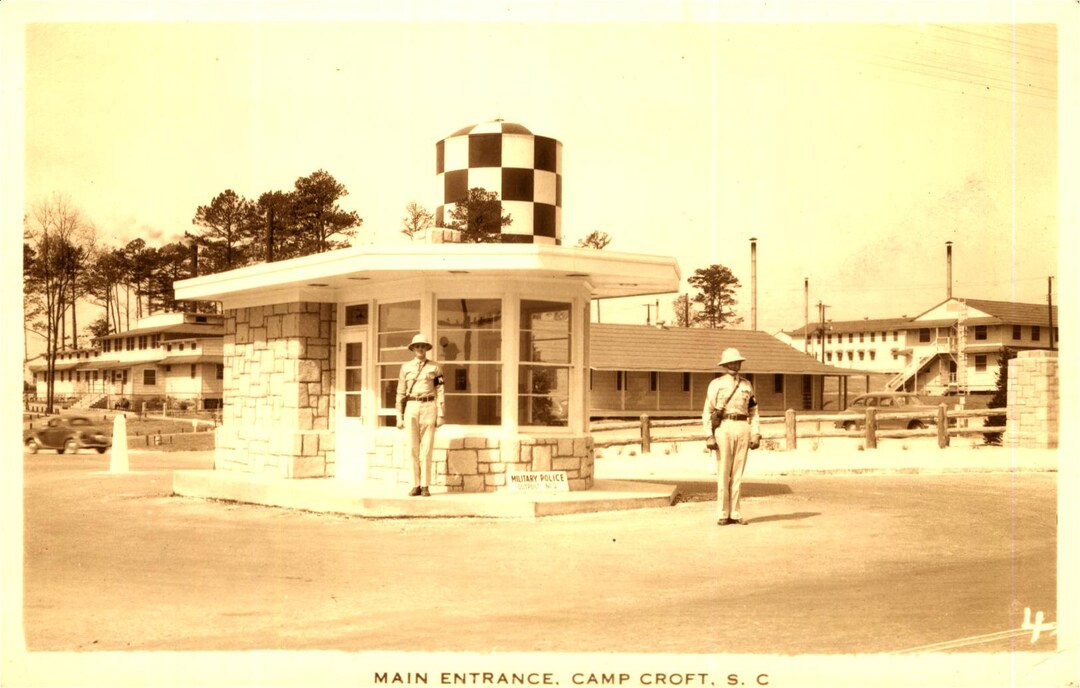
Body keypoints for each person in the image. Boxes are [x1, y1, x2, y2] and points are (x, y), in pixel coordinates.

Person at [702, 347, 761, 526]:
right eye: (731, 363)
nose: (734, 365)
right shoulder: (716, 384)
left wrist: (756, 433)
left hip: (743, 427)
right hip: (724, 427)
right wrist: (708, 436)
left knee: (737, 473)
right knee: (724, 471)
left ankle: (735, 513)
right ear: (725, 365)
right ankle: (722, 513)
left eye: (737, 362)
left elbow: (754, 411)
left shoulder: (746, 385)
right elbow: (708, 411)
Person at [396, 333, 446, 497]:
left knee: (427, 448)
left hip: (429, 406)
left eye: (423, 346)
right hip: (411, 406)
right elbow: (400, 393)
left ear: (426, 349)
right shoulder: (406, 367)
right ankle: (415, 484)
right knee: (412, 448)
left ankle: (425, 485)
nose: (420, 349)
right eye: (417, 346)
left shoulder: (435, 367)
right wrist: (399, 416)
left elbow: (440, 390)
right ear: (413, 349)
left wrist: (441, 414)